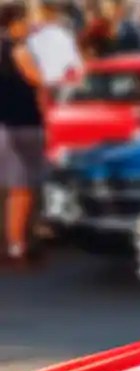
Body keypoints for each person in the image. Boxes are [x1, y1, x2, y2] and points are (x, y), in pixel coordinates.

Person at [0, 3, 49, 265]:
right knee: (22, 189)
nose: (29, 25)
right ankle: (17, 245)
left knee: (11, 189)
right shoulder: (18, 50)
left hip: (6, 123)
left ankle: (14, 240)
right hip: (23, 123)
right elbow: (38, 79)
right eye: (26, 21)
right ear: (15, 22)